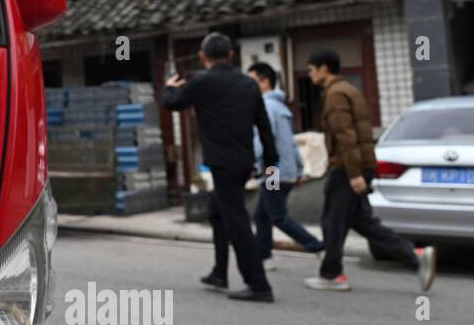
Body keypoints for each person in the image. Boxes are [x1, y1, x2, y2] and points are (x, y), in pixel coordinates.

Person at [305, 49, 436, 292]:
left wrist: (354, 173)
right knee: (362, 222)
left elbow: (345, 136)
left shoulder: (335, 94)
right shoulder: (349, 89)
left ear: (323, 68)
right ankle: (416, 259)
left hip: (345, 168)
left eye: (311, 69)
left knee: (333, 221)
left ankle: (332, 274)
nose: (310, 74)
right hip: (360, 165)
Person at [165, 32, 278, 302]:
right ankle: (219, 273)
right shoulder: (249, 84)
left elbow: (172, 103)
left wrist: (169, 86)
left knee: (237, 221)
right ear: (231, 55)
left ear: (202, 57)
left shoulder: (201, 82)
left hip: (222, 163)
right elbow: (264, 126)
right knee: (217, 212)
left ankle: (259, 284)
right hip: (243, 162)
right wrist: (270, 162)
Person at [247, 62, 325, 267]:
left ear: (265, 82)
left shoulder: (264, 106)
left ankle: (317, 247)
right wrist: (298, 170)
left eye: (251, 81)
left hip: (273, 171)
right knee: (262, 215)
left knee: (277, 216)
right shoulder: (281, 107)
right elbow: (291, 142)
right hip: (284, 169)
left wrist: (251, 164)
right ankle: (265, 257)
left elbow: (264, 140)